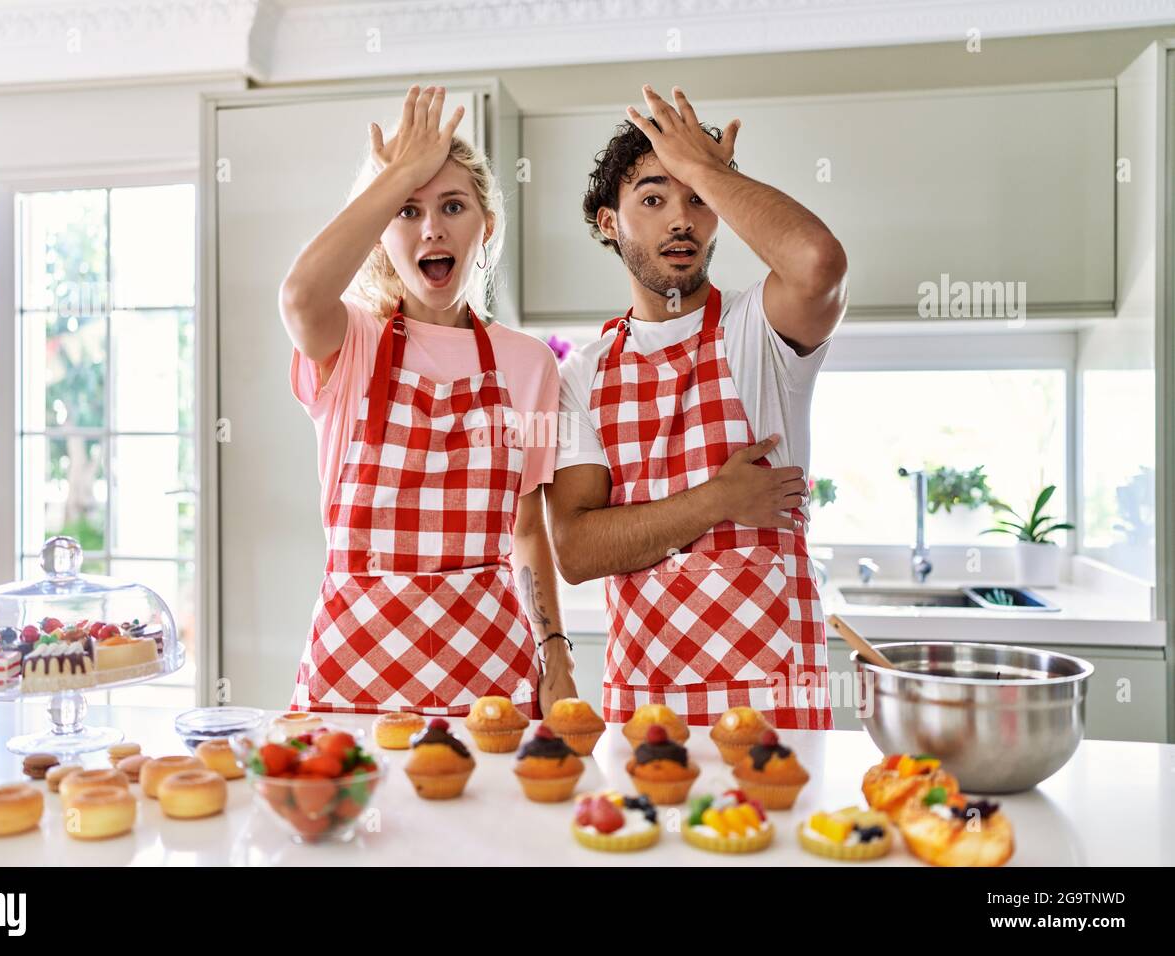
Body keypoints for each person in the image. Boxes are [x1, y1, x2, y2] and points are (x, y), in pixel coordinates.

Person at [547, 85, 847, 728]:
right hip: (650, 715)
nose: (679, 219)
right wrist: (720, 499)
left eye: (696, 199)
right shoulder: (582, 374)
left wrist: (708, 169)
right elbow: (575, 550)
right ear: (609, 223)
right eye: (652, 198)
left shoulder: (757, 330)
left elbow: (818, 263)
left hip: (777, 714)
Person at [279, 85, 576, 718]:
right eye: (407, 212)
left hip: (491, 674)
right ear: (380, 233)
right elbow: (300, 296)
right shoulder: (350, 340)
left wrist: (557, 657)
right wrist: (398, 175)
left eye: (452, 206)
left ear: (486, 226)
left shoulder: (529, 364)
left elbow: (527, 530)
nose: (432, 227)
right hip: (354, 676)